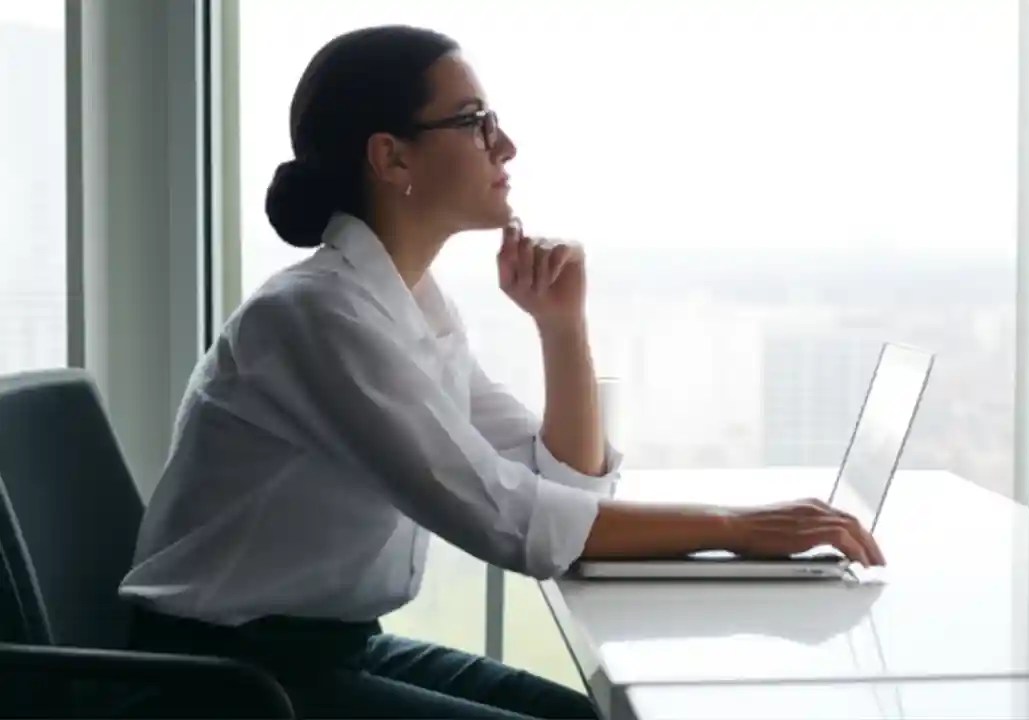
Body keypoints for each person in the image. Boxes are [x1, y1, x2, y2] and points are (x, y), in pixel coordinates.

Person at [118, 24, 884, 720]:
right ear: (391, 157)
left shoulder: (409, 304)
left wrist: (561, 327)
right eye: (474, 121)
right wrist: (739, 531)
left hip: (325, 649)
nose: (505, 144)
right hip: (224, 680)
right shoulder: (320, 317)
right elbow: (510, 521)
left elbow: (565, 489)